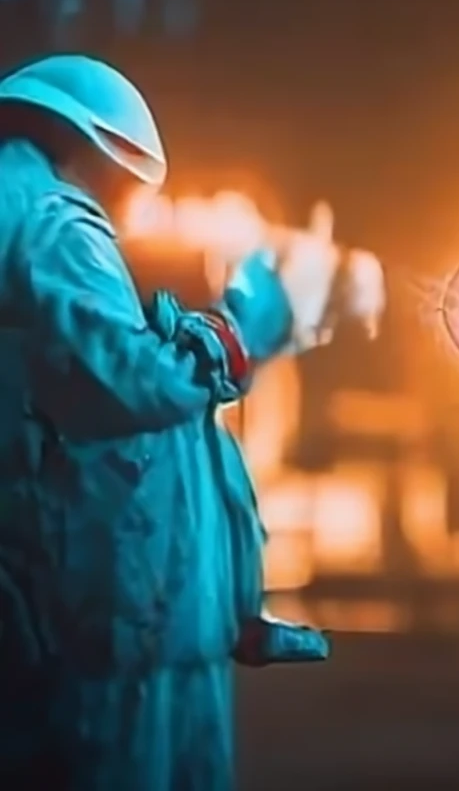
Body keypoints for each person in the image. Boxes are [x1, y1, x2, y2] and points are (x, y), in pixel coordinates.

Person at [0, 55, 334, 789]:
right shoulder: (50, 221)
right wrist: (241, 327)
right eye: (131, 192)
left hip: (133, 624)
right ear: (104, 151)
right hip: (107, 639)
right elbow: (133, 385)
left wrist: (225, 603)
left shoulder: (26, 214)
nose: (128, 216)